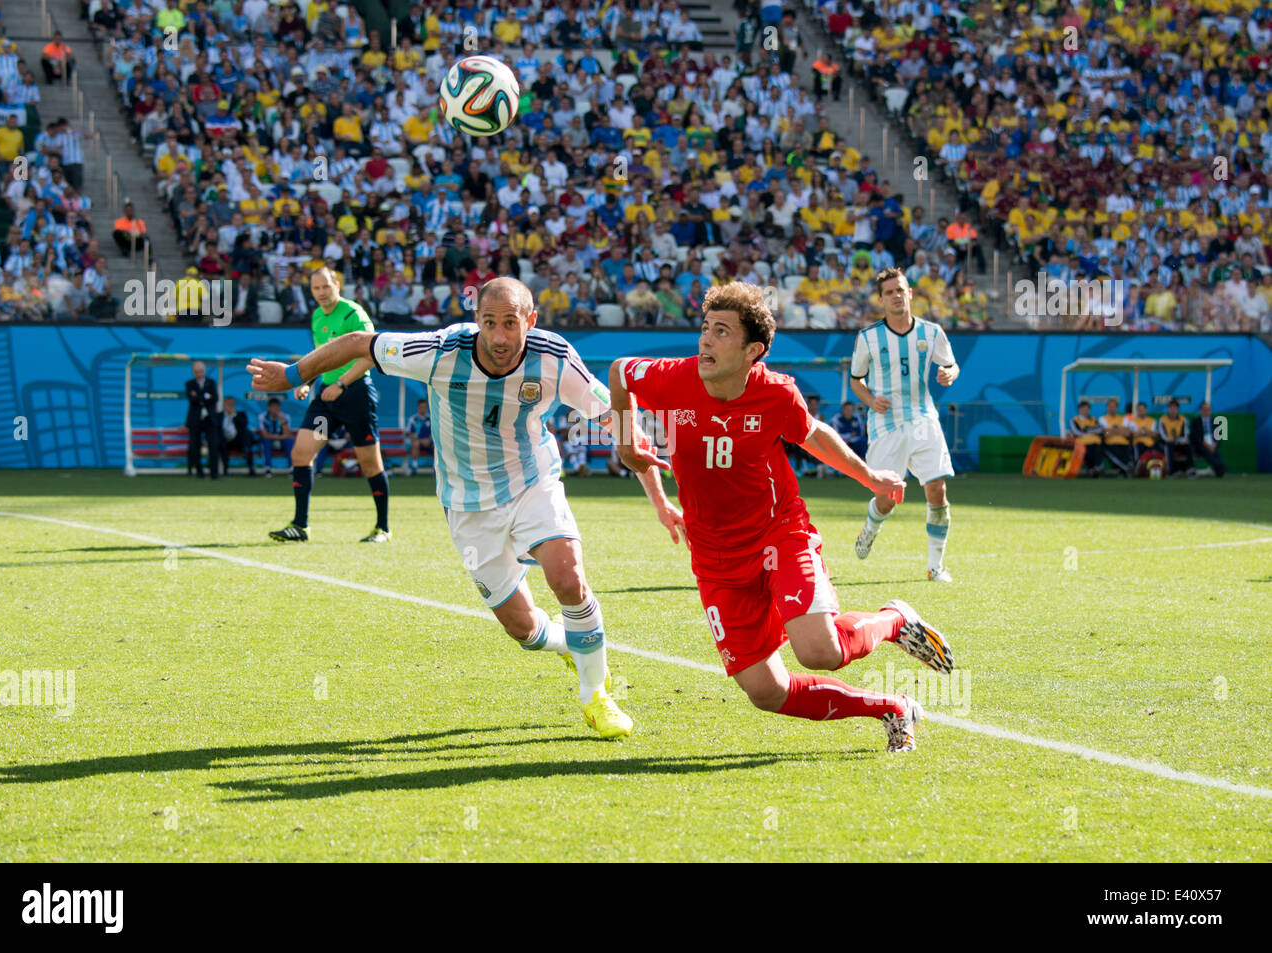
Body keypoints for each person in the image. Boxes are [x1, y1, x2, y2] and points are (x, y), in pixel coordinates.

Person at [247, 277, 665, 739]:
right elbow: (357, 343)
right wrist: (292, 375)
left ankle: (596, 695)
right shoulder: (441, 351)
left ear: (530, 321)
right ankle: (568, 644)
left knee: (568, 578)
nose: (500, 336)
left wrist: (661, 502)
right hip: (467, 504)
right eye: (490, 323)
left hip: (532, 483)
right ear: (476, 320)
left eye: (511, 323)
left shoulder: (555, 357)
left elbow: (617, 418)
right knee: (523, 629)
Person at [609, 281, 951, 753]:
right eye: (705, 328)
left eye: (722, 332)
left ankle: (895, 620)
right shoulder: (670, 378)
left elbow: (813, 435)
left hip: (779, 534)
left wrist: (870, 476)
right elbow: (619, 372)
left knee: (820, 651)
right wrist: (627, 442)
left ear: (753, 351)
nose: (706, 340)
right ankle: (894, 708)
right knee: (766, 692)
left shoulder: (776, 394)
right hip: (714, 557)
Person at [850, 267, 960, 581]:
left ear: (909, 293)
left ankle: (935, 567)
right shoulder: (869, 337)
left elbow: (952, 365)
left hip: (923, 417)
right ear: (881, 300)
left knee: (937, 488)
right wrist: (871, 400)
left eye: (900, 290)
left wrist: (950, 374)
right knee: (887, 499)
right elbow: (856, 380)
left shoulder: (932, 332)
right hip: (886, 424)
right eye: (889, 292)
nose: (896, 296)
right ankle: (870, 528)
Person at [268, 266, 391, 542]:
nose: (321, 292)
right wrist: (306, 381)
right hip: (326, 398)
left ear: (337, 285)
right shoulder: (316, 317)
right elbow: (321, 358)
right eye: (316, 288)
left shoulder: (353, 314)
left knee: (370, 464)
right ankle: (300, 526)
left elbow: (371, 356)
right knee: (301, 453)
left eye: (326, 286)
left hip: (356, 395)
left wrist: (342, 384)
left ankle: (383, 528)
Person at [184, 360, 221, 479]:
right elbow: (192, 399)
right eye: (197, 371)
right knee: (195, 446)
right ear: (193, 372)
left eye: (201, 371)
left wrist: (199, 397)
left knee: (213, 445)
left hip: (210, 419)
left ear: (204, 371)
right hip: (195, 420)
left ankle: (214, 473)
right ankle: (199, 472)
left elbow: (215, 398)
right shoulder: (189, 384)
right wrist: (205, 397)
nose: (199, 374)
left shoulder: (211, 382)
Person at [257, 397, 296, 475]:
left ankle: (291, 468)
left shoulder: (285, 417)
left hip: (281, 441)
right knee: (266, 441)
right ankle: (268, 468)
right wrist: (280, 437)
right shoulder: (263, 417)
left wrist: (282, 420)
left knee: (288, 442)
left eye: (277, 407)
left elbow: (287, 434)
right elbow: (265, 435)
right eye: (273, 407)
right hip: (270, 440)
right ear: (269, 408)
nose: (276, 409)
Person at [1098, 397, 1135, 477]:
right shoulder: (1102, 419)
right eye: (1110, 406)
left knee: (1128, 454)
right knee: (1115, 455)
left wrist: (1111, 430)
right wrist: (1120, 430)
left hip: (1124, 444)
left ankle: (1126, 470)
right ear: (1107, 407)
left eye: (1114, 406)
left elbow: (1127, 433)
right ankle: (1127, 469)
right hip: (1110, 444)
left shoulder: (1124, 419)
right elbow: (1105, 434)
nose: (1112, 408)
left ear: (1117, 408)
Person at [219, 396, 256, 476]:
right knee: (221, 445)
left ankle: (251, 469)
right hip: (225, 441)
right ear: (224, 405)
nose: (230, 406)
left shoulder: (240, 414)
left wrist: (234, 414)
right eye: (228, 404)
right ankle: (225, 470)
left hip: (238, 440)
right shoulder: (219, 416)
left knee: (246, 438)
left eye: (232, 404)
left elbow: (244, 425)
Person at [1189, 401, 1227, 477]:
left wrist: (1215, 444)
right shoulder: (1195, 422)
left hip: (1213, 445)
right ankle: (1220, 468)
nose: (1207, 411)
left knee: (1216, 452)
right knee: (1206, 451)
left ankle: (1219, 468)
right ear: (1201, 410)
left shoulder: (1215, 422)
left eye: (1208, 409)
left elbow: (1218, 437)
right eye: (1205, 409)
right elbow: (1195, 437)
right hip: (1201, 445)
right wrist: (1207, 445)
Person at [1155, 399, 1192, 475]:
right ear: (1168, 409)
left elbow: (1186, 433)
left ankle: (1190, 469)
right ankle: (1170, 471)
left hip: (1179, 441)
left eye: (1174, 408)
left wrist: (1182, 440)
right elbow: (1162, 434)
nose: (1172, 410)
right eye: (1171, 408)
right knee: (1169, 446)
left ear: (1177, 409)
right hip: (1167, 442)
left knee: (1188, 446)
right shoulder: (1162, 419)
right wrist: (1167, 439)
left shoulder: (1183, 419)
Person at [1069, 400, 1105, 475]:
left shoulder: (1094, 419)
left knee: (1100, 449)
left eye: (1087, 409)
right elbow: (1077, 432)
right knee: (1087, 451)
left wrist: (1086, 429)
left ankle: (1096, 468)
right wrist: (1092, 429)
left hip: (1096, 442)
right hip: (1082, 443)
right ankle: (1091, 469)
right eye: (1083, 409)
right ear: (1079, 409)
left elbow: (1100, 430)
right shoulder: (1074, 420)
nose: (1085, 411)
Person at [404, 397, 433, 475]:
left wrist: (429, 439)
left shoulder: (431, 418)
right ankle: (414, 466)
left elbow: (435, 432)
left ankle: (435, 467)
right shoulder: (413, 419)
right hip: (417, 443)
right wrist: (419, 440)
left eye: (425, 407)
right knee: (415, 443)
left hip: (429, 442)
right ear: (418, 407)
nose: (423, 409)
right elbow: (408, 433)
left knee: (436, 446)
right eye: (421, 407)